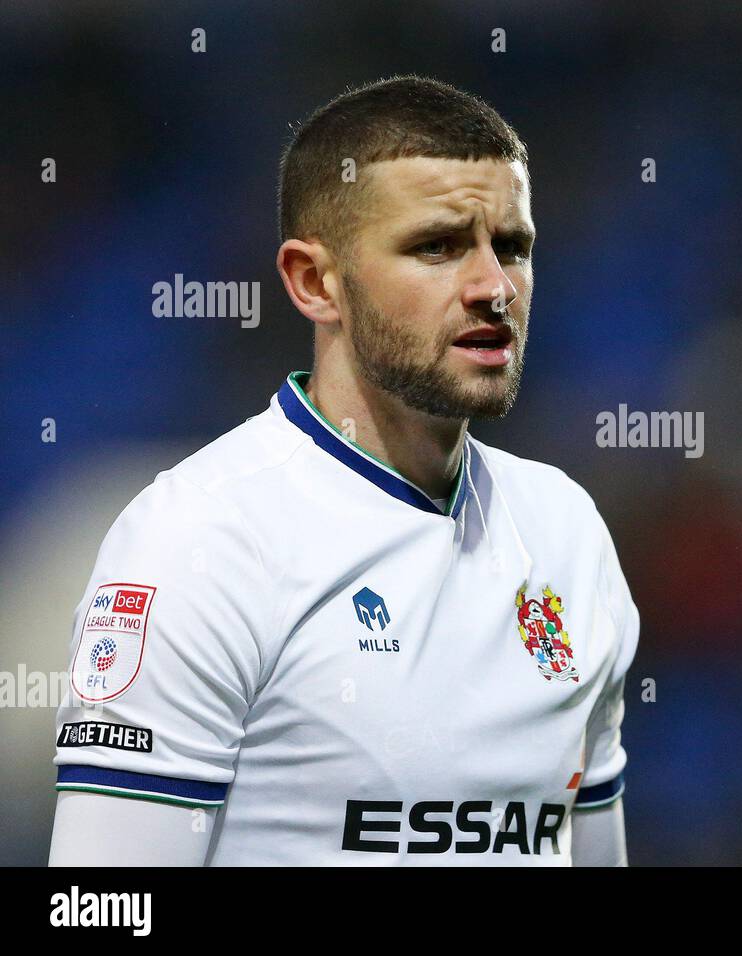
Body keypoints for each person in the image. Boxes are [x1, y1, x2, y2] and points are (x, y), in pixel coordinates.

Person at [48, 75, 639, 866]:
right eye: (437, 246)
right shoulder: (200, 541)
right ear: (314, 282)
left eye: (514, 247)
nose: (493, 287)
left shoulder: (566, 532)